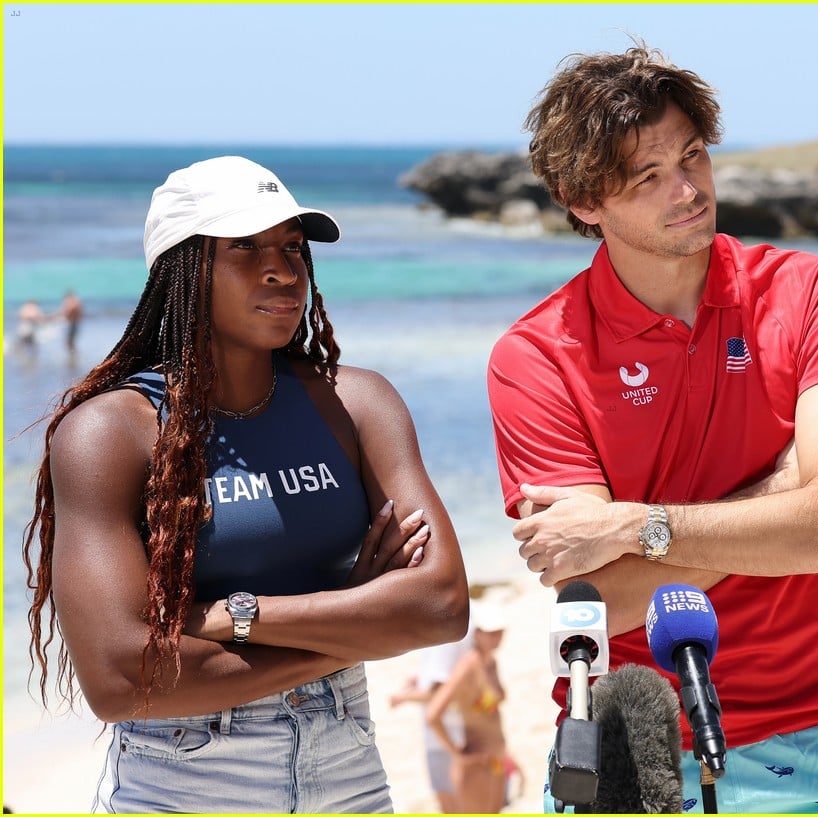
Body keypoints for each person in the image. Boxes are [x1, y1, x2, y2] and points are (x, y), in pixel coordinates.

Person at [487, 43, 818, 813]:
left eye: (693, 156)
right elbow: (601, 600)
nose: (688, 190)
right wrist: (777, 501)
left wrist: (634, 526)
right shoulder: (536, 356)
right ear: (584, 200)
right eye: (648, 177)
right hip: (621, 745)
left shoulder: (811, 293)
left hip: (806, 736)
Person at [22, 156, 469, 813]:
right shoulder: (110, 434)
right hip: (186, 772)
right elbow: (121, 676)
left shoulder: (357, 405)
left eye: (291, 246)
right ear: (182, 268)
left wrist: (232, 616)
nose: (282, 269)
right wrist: (357, 613)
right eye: (247, 248)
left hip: (345, 763)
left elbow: (441, 605)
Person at [425, 600, 516, 813]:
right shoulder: (467, 666)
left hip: (496, 759)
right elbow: (433, 714)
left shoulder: (490, 662)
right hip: (477, 764)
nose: (497, 637)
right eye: (491, 632)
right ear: (476, 634)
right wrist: (457, 753)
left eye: (500, 631)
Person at [389, 625, 475, 813]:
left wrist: (402, 698)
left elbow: (437, 693)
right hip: (459, 730)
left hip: (446, 738)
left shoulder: (442, 633)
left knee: (451, 806)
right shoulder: (460, 621)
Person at [55, 289, 84, 354]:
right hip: (74, 323)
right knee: (70, 341)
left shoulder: (73, 301)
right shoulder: (76, 301)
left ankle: (72, 354)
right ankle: (72, 354)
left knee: (70, 341)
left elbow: (69, 310)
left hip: (72, 323)